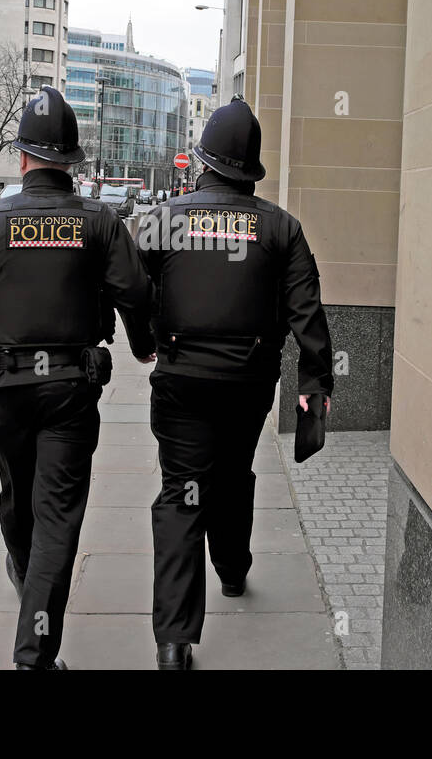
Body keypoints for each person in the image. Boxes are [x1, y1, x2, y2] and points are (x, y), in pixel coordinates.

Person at [0, 85, 156, 670]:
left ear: (20, 158)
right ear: (73, 162)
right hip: (70, 391)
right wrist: (145, 346)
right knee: (57, 519)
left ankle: (31, 612)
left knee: (19, 506)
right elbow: (135, 293)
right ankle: (34, 652)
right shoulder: (99, 220)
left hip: (6, 392)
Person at [137, 95, 334, 670]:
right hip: (248, 381)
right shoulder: (281, 228)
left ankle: (174, 641)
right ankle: (232, 567)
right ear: (251, 168)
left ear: (203, 162)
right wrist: (314, 383)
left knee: (182, 493)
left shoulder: (164, 220)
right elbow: (307, 314)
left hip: (179, 379)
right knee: (231, 474)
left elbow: (129, 286)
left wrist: (145, 337)